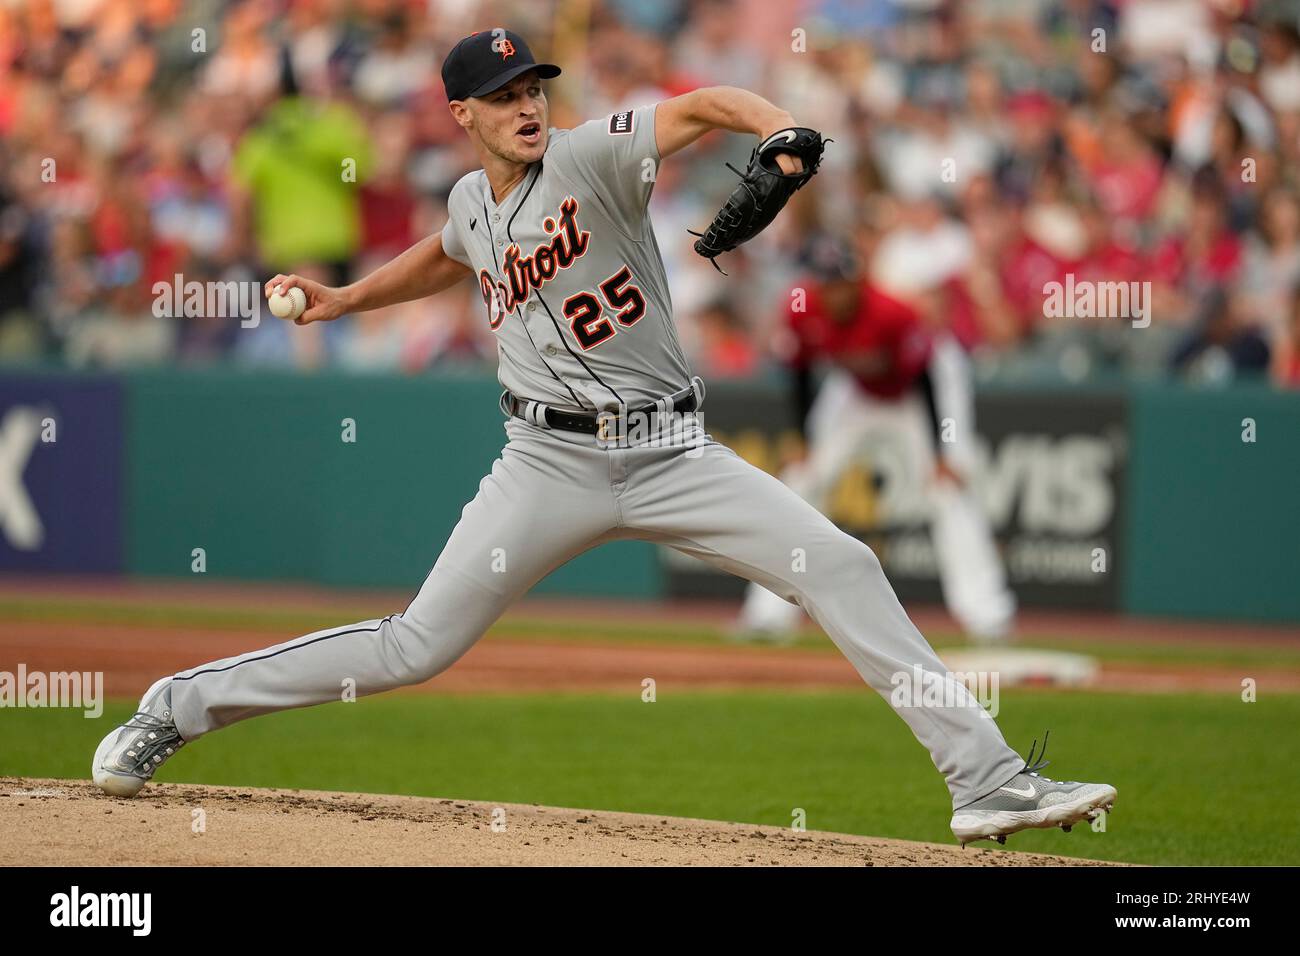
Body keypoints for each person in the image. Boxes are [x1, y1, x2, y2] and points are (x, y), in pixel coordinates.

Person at [92, 29, 1115, 847]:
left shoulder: (592, 151)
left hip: (675, 455)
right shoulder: (467, 201)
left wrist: (783, 128)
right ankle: (180, 703)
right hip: (546, 462)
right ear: (462, 115)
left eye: (533, 86)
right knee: (412, 645)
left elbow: (710, 105)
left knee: (839, 563)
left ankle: (984, 781)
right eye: (502, 96)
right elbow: (447, 252)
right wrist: (346, 296)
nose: (526, 105)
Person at [736, 236, 1016, 643]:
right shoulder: (803, 308)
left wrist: (940, 452)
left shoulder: (892, 312)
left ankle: (988, 614)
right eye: (826, 282)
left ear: (859, 280)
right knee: (801, 481)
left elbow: (924, 378)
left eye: (842, 282)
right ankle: (766, 615)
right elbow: (800, 373)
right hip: (857, 391)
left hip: (921, 391)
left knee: (949, 489)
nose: (834, 292)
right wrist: (803, 437)